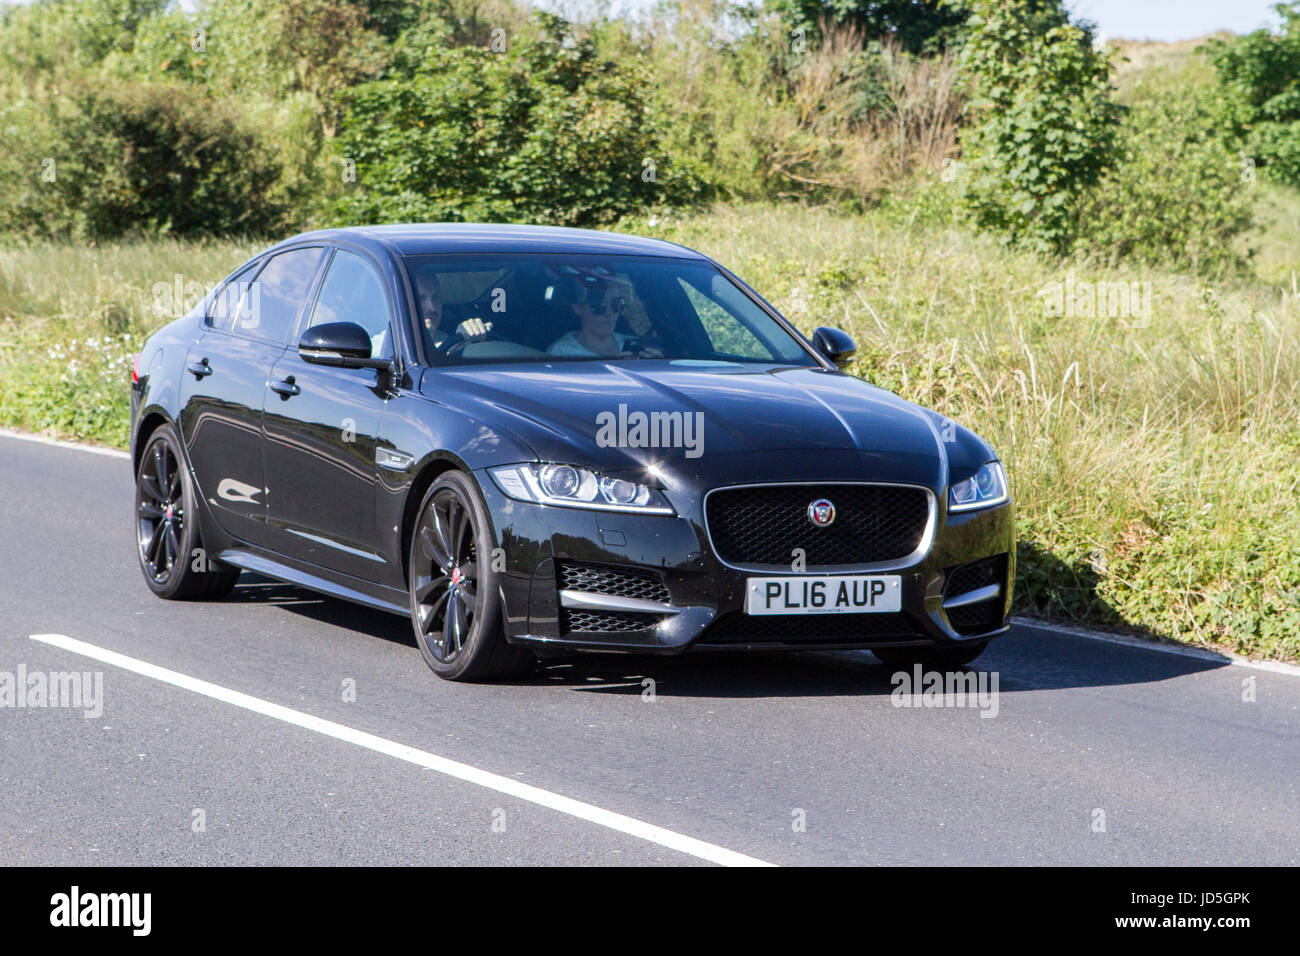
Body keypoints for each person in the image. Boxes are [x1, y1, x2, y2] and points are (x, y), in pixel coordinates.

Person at [547, 279, 662, 358]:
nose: (609, 313)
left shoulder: (634, 345)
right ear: (578, 308)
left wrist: (658, 365)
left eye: (616, 305)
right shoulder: (560, 353)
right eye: (599, 307)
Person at [414, 268, 492, 350]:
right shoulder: (401, 347)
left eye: (435, 297)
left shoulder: (445, 338)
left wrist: (467, 339)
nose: (432, 308)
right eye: (421, 299)